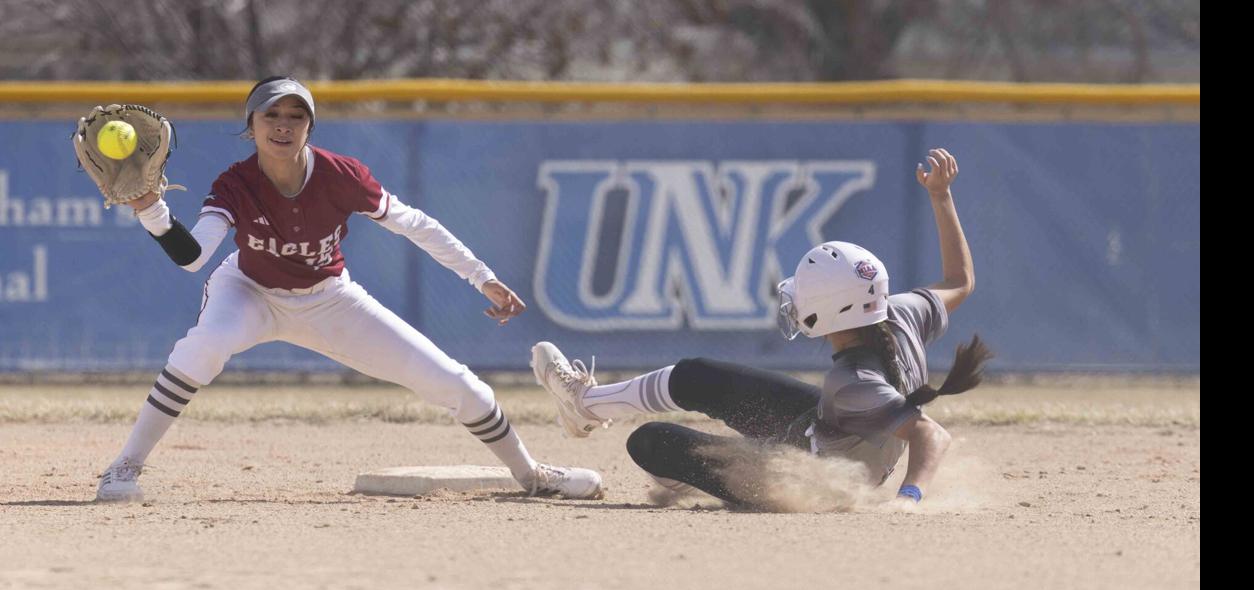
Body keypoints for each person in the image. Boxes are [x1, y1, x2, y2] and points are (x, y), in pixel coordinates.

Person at [91, 76, 602, 502]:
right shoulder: (235, 183)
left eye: (296, 115)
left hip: (329, 297)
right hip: (249, 291)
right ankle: (123, 468)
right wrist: (151, 210)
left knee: (460, 384)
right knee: (201, 349)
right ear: (251, 127)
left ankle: (531, 475)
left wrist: (481, 276)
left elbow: (415, 224)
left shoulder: (341, 175)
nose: (283, 125)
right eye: (271, 115)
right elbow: (194, 257)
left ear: (310, 127)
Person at [529, 147, 987, 510]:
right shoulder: (898, 315)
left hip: (808, 479)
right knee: (695, 374)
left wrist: (908, 501)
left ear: (829, 311)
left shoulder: (854, 383)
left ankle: (681, 476)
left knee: (651, 442)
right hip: (831, 430)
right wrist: (941, 197)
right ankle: (585, 405)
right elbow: (959, 281)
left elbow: (932, 435)